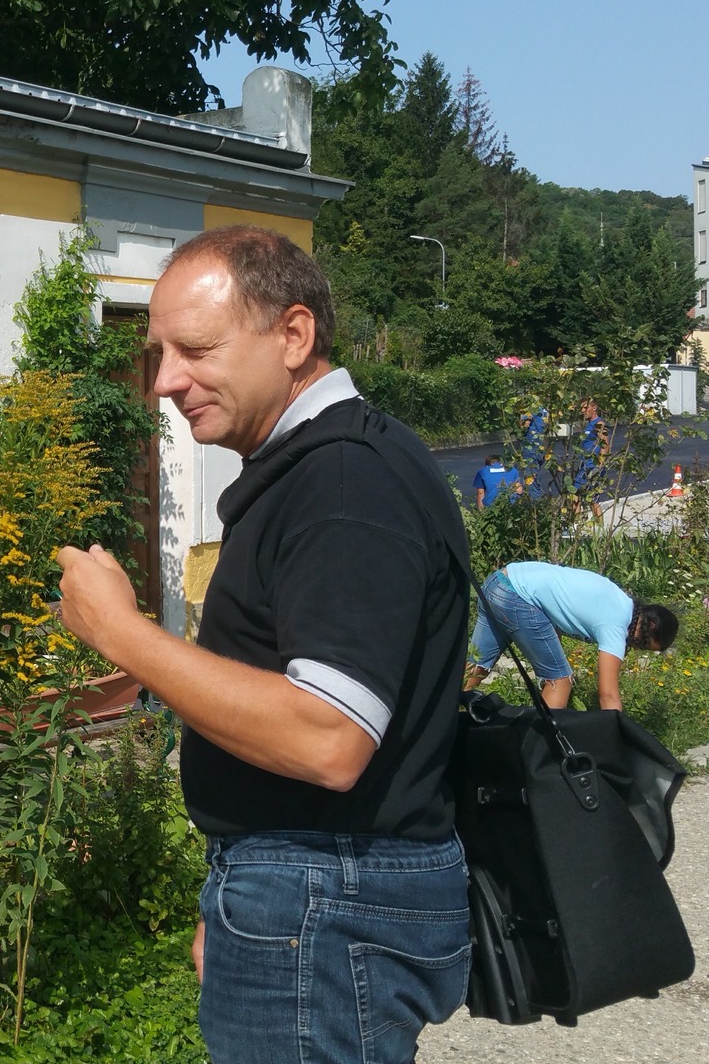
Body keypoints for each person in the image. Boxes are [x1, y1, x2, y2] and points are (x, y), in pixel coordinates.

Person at [56, 225, 473, 1064]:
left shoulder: (344, 483)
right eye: (159, 351)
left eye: (196, 349)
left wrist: (123, 635)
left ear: (293, 335)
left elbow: (329, 737)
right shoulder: (324, 466)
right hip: (302, 891)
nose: (166, 381)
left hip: (326, 893)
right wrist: (241, 899)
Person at [462, 561, 679, 711]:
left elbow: (552, 614)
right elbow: (608, 695)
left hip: (497, 582)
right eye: (642, 644)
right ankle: (542, 758)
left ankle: (439, 724)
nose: (635, 647)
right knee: (560, 681)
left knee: (476, 667)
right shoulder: (617, 624)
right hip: (516, 596)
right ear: (648, 625)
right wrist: (618, 740)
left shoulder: (618, 600)